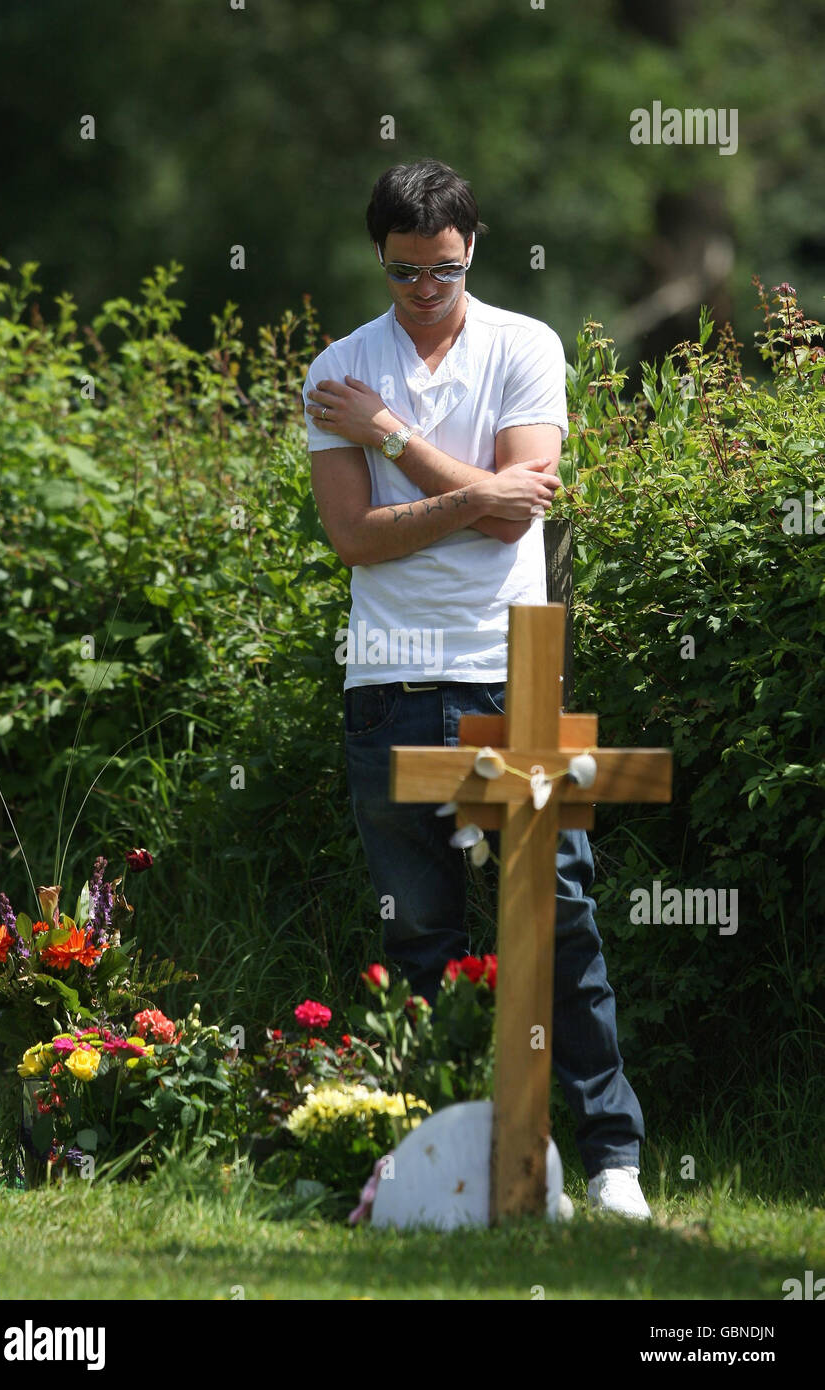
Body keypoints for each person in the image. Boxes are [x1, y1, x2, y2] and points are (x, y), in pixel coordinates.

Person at [302, 159, 651, 1220]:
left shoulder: (524, 345)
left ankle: (612, 1160)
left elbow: (516, 516)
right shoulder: (337, 370)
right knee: (419, 937)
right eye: (405, 274)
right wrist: (479, 487)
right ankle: (429, 1166)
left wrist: (396, 441)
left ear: (472, 250)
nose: (424, 293)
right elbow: (355, 537)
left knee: (561, 919)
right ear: (381, 259)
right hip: (389, 678)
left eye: (442, 272)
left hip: (515, 671)